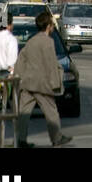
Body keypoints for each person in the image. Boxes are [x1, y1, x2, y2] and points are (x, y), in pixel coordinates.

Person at [13, 11, 72, 149]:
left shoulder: (31, 41)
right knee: (51, 112)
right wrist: (56, 84)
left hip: (27, 82)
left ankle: (20, 139)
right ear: (49, 26)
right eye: (52, 24)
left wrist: (18, 77)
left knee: (24, 113)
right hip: (42, 84)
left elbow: (21, 60)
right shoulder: (48, 42)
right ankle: (56, 137)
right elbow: (51, 63)